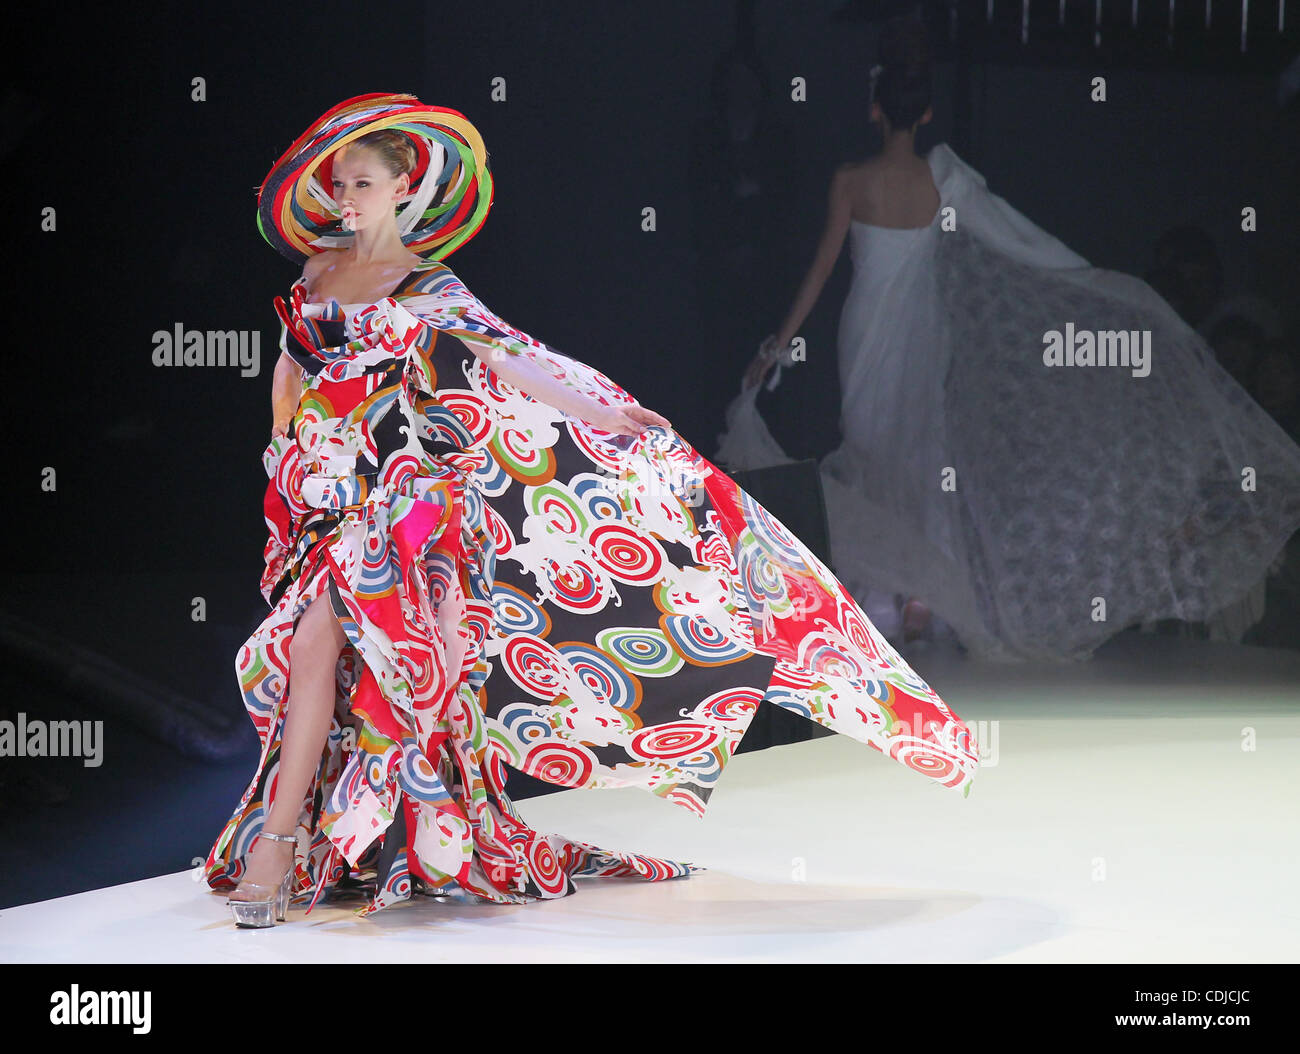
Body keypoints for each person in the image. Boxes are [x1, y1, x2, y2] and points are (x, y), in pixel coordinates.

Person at [203, 93, 980, 927]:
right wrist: (287, 445)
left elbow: (523, 362)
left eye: (360, 183)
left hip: (411, 505)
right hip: (328, 497)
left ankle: (276, 854)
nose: (345, 199)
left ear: (403, 188)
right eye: (338, 184)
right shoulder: (319, 271)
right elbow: (289, 369)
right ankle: (338, 838)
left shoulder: (425, 286)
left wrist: (610, 415)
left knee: (322, 640)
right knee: (323, 660)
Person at [717, 33, 1300, 662]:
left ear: (875, 108)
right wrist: (1101, 285)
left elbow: (820, 270)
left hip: (866, 330)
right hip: (919, 332)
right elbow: (1025, 243)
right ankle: (913, 597)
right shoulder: (946, 183)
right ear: (927, 113)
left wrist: (777, 346)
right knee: (912, 451)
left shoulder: (852, 180)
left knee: (871, 445)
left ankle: (895, 597)